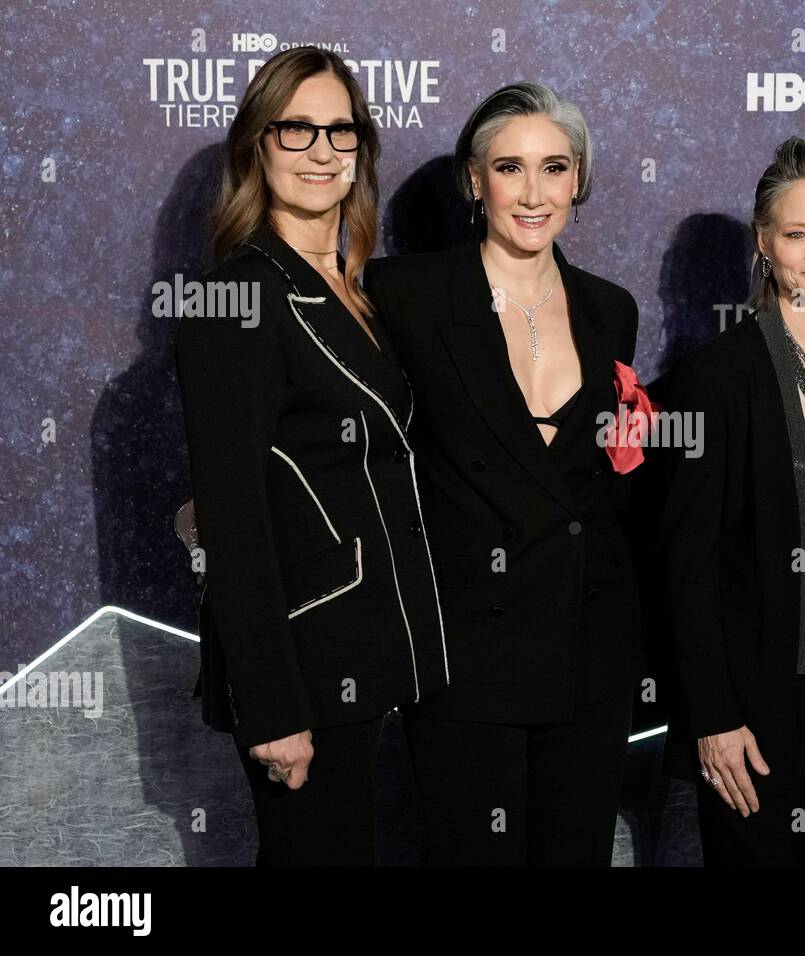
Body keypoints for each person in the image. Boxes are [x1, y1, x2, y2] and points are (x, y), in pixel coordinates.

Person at [175, 47, 448, 865]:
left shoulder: (363, 290)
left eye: (340, 130)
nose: (321, 151)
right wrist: (272, 709)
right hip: (304, 667)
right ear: (257, 145)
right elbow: (232, 516)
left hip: (376, 649)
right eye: (296, 129)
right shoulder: (237, 297)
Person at [363, 82, 646, 865]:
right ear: (473, 179)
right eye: (509, 168)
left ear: (578, 179)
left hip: (589, 647)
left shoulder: (611, 308)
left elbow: (604, 483)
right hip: (466, 649)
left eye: (554, 168)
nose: (533, 193)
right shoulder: (407, 294)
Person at [659, 132, 805, 865]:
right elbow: (686, 567)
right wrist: (712, 717)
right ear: (764, 242)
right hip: (756, 676)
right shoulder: (716, 376)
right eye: (797, 234)